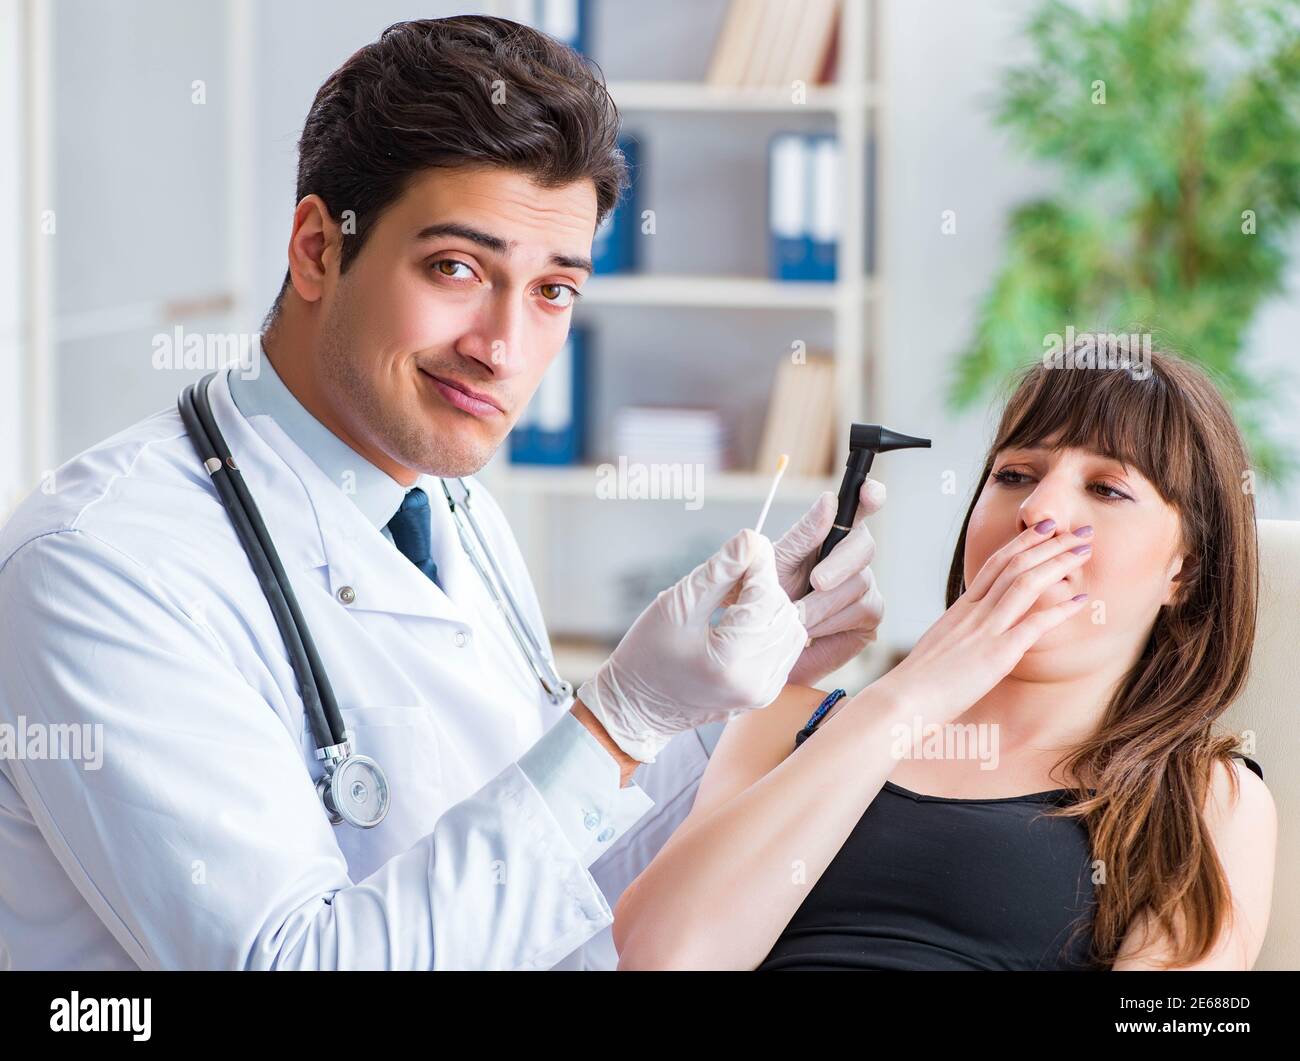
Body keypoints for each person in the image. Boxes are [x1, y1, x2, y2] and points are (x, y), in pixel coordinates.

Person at [0, 16, 885, 970]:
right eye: (457, 268)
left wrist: (711, 702)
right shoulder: (100, 564)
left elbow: (554, 881)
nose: (501, 349)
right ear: (316, 249)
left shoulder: (443, 500)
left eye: (552, 290)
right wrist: (615, 720)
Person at [613, 339, 1278, 971]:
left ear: (1183, 572)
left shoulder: (1201, 800)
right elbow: (660, 952)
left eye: (1105, 488)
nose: (1040, 509)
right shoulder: (785, 717)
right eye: (1015, 474)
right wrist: (909, 698)